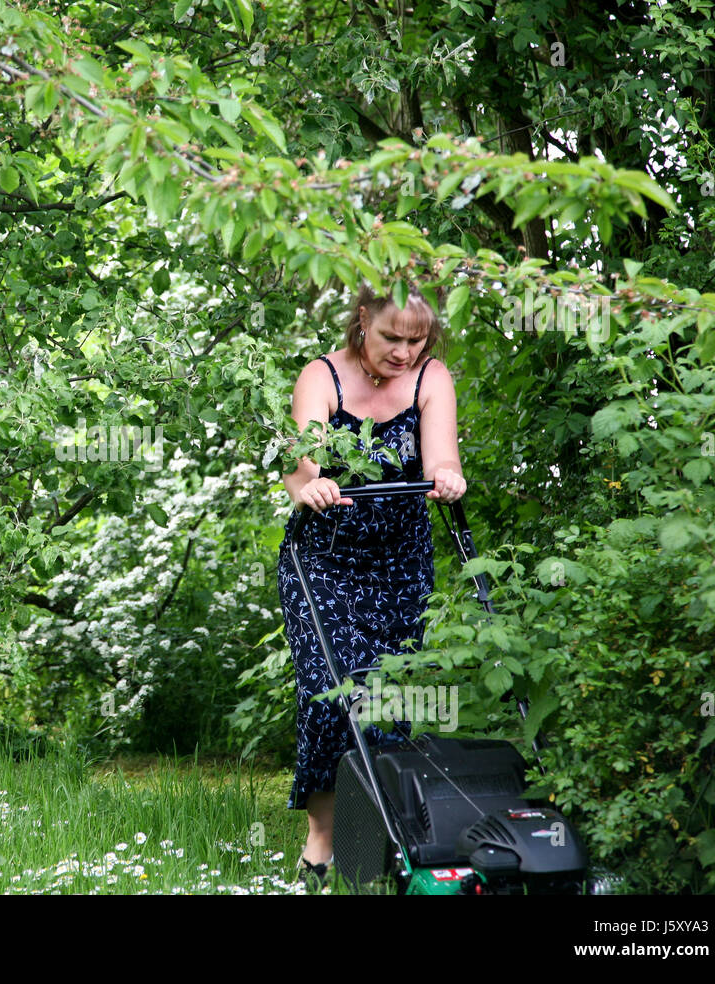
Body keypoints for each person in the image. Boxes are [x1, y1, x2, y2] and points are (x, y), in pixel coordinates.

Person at [276, 282, 466, 891]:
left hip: (401, 561)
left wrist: (447, 477)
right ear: (363, 321)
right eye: (392, 337)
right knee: (330, 693)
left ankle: (381, 840)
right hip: (324, 560)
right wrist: (310, 483)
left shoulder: (431, 378)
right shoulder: (321, 377)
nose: (405, 352)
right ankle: (323, 840)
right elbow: (299, 459)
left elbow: (441, 457)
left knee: (389, 697)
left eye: (417, 339)